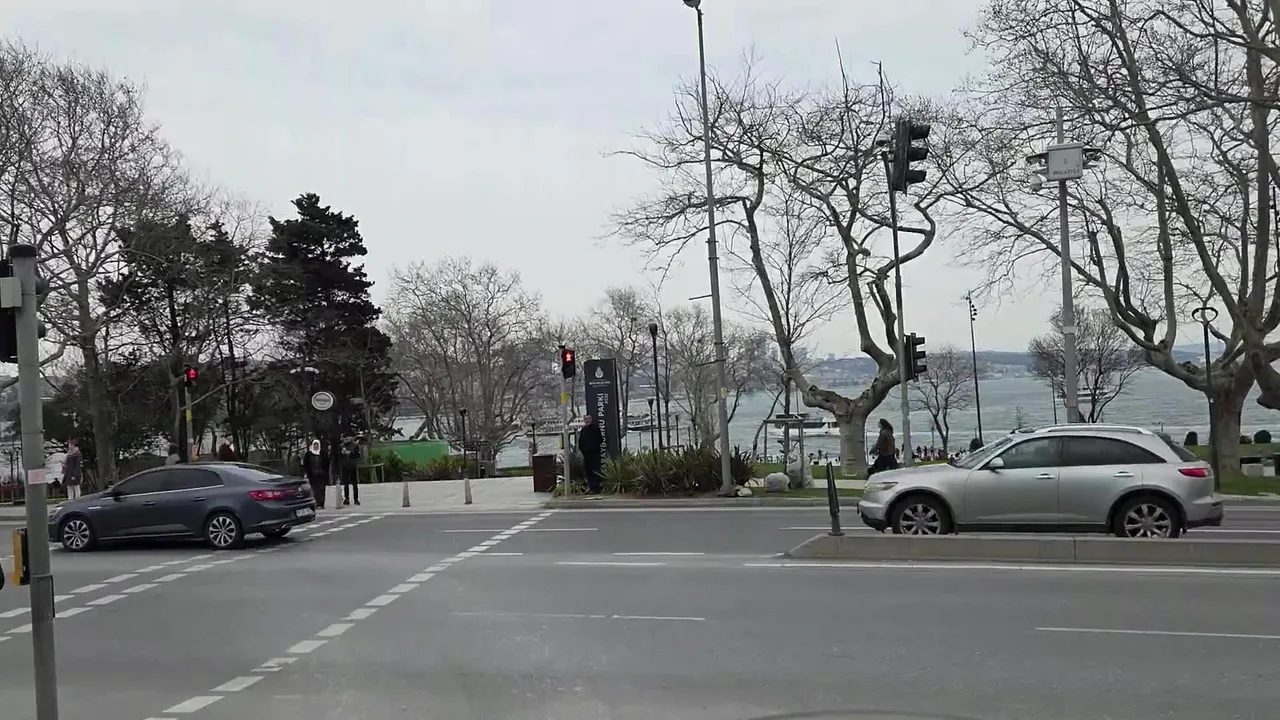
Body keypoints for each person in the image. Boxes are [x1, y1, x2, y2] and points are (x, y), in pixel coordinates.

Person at [577, 414, 604, 494]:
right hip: (586, 454)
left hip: (594, 453)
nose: (587, 420)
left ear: (591, 419)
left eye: (589, 418)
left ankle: (596, 488)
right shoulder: (583, 430)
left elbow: (600, 439)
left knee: (595, 470)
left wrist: (594, 447)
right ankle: (591, 487)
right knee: (588, 471)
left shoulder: (596, 428)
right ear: (584, 420)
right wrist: (582, 449)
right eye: (586, 419)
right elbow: (580, 441)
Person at [302, 439, 329, 509]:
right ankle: (316, 503)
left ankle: (322, 503)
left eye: (317, 444)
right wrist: (308, 473)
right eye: (314, 444)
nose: (316, 446)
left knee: (322, 489)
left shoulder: (323, 454)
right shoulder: (308, 454)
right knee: (314, 489)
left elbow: (327, 464)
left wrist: (325, 472)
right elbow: (306, 465)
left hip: (322, 474)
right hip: (312, 475)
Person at [339, 434, 361, 506]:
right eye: (345, 438)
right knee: (345, 484)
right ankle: (347, 498)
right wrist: (341, 453)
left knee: (354, 484)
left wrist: (351, 453)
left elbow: (358, 455)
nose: (346, 439)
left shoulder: (355, 445)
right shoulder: (341, 446)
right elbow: (337, 456)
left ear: (351, 438)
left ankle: (356, 499)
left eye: (348, 437)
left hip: (352, 466)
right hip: (344, 467)